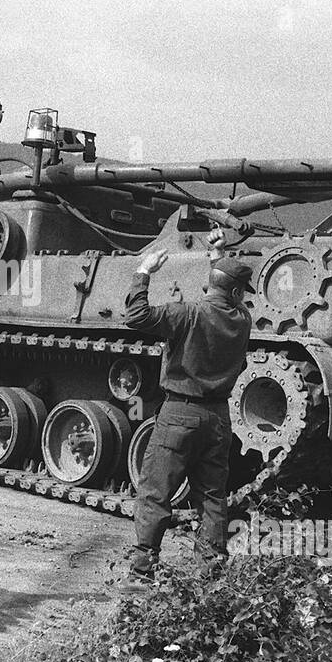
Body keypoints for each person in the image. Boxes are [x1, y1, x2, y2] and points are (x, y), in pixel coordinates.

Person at [119, 232, 253, 593]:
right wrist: (218, 256)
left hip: (178, 414)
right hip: (218, 419)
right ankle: (210, 576)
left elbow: (136, 316)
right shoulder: (243, 320)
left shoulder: (186, 314)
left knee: (156, 491)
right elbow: (226, 295)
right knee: (211, 496)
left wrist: (143, 272)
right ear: (238, 294)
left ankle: (142, 572)